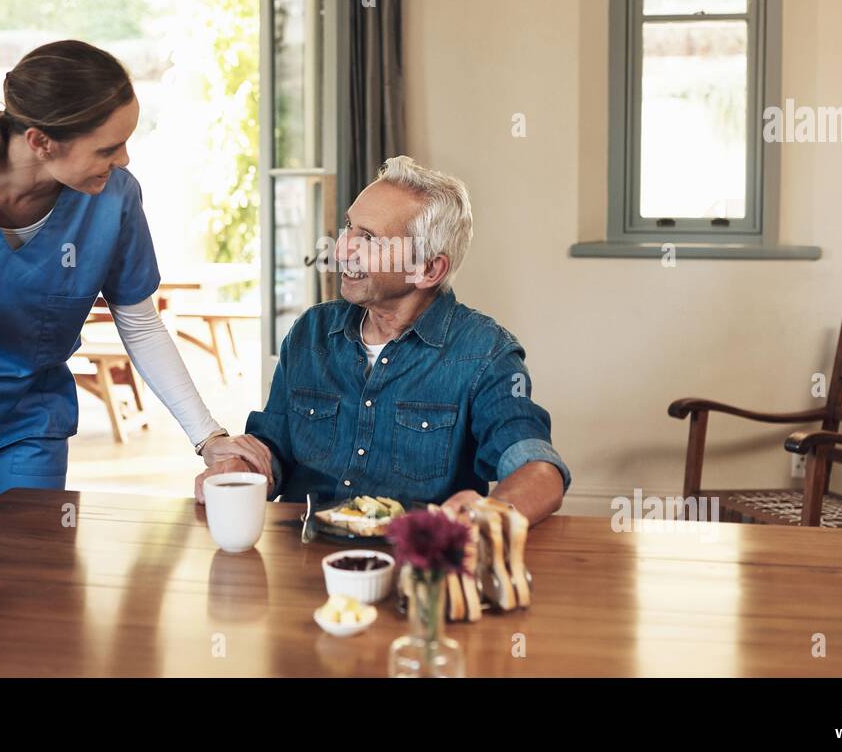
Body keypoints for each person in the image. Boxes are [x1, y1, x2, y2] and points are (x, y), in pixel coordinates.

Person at [0, 39, 270, 553]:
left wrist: (208, 436)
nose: (124, 159)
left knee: (26, 580)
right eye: (108, 148)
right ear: (42, 141)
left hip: (23, 417)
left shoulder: (114, 197)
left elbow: (138, 321)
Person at [196, 156, 569, 525]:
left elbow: (538, 470)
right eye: (348, 227)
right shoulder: (311, 332)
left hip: (412, 565)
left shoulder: (486, 354)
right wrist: (236, 468)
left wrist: (483, 517)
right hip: (302, 553)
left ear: (428, 268)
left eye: (369, 239)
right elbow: (272, 448)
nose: (340, 250)